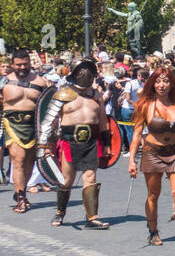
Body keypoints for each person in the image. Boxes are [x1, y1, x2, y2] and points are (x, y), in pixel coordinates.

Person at [37, 59, 113, 229]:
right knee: (66, 180)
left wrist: (107, 143)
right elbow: (48, 121)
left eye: (88, 70)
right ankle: (60, 212)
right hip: (69, 142)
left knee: (90, 177)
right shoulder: (62, 94)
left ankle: (92, 217)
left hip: (91, 142)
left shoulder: (97, 96)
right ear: (74, 73)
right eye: (81, 69)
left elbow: (103, 122)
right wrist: (43, 144)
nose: (85, 73)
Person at [128, 66, 175, 247]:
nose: (161, 85)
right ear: (152, 84)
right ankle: (153, 231)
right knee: (153, 195)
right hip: (152, 153)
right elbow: (136, 135)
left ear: (172, 84)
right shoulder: (145, 105)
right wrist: (131, 160)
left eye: (165, 81)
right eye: (158, 81)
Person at [1, 50, 51, 213]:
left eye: (25, 64)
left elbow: (49, 105)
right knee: (19, 158)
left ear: (29, 63)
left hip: (33, 125)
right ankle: (20, 196)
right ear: (12, 65)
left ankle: (21, 191)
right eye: (19, 64)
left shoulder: (41, 81)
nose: (22, 67)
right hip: (12, 123)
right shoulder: (4, 81)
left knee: (30, 161)